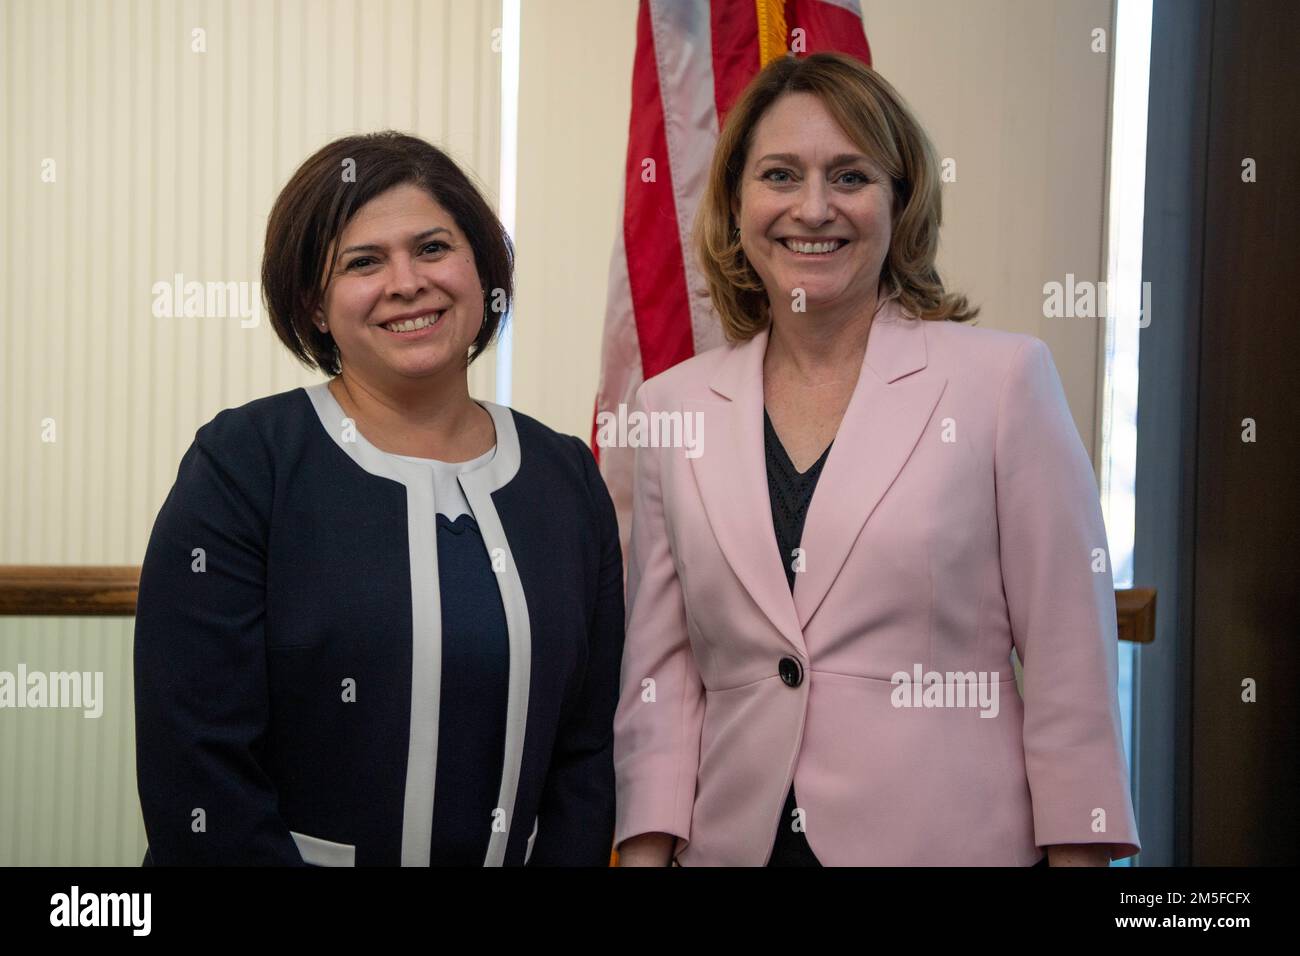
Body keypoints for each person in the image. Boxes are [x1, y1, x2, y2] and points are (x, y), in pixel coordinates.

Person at [613, 53, 1140, 866]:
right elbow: (664, 677)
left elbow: (1072, 666)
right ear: (736, 204)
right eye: (779, 175)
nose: (812, 207)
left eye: (850, 176)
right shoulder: (671, 407)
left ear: (901, 200)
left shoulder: (1002, 381)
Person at [134, 131, 624, 866]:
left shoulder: (567, 479)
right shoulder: (244, 466)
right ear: (314, 305)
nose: (407, 282)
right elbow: (197, 764)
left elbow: (587, 755)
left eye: (433, 248)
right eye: (363, 262)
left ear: (482, 271)